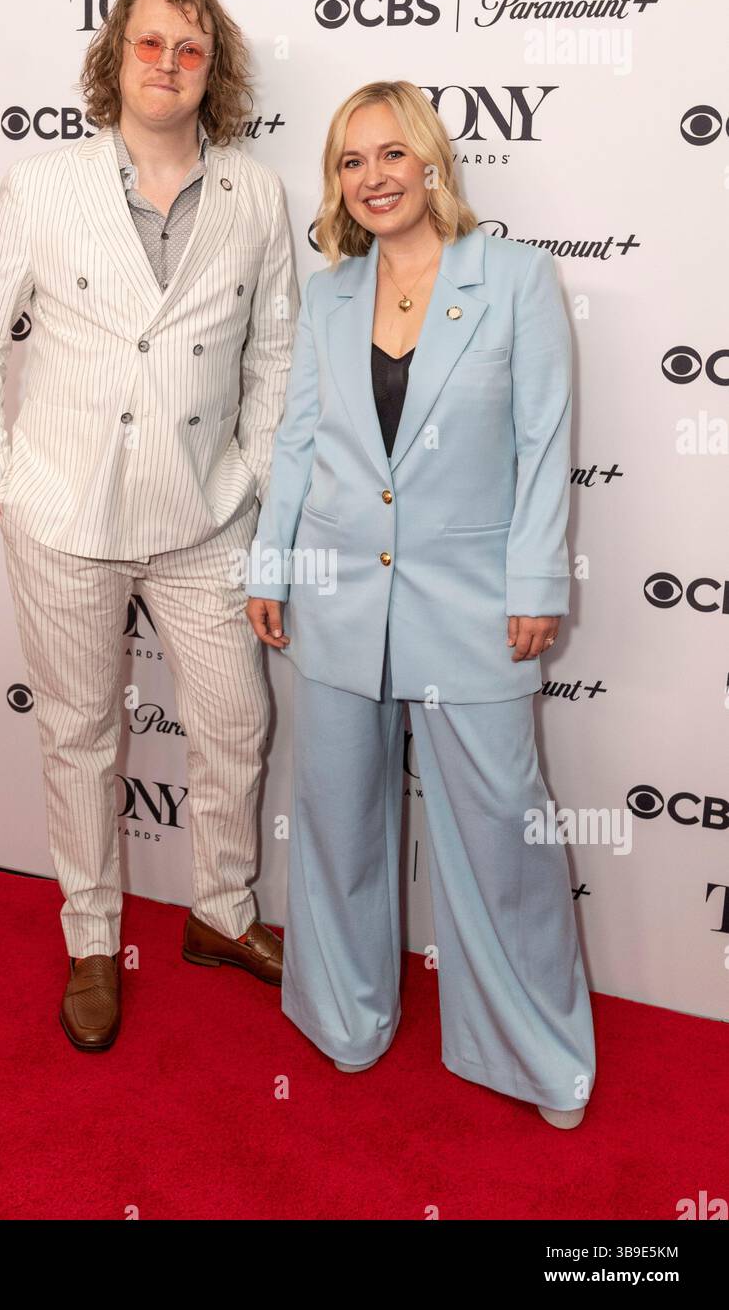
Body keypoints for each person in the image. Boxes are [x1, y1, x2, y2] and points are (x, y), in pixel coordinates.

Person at [0, 0, 298, 1051]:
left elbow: (277, 352)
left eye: (190, 52)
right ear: (117, 58)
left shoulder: (259, 196)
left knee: (236, 720)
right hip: (64, 517)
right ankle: (93, 938)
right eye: (151, 45)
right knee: (79, 734)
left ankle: (220, 912)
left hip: (203, 518)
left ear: (212, 72)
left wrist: (249, 477)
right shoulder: (42, 186)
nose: (168, 66)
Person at [245, 81, 596, 1129]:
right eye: (352, 162)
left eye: (392, 153)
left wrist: (536, 580)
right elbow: (300, 443)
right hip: (339, 594)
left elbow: (545, 445)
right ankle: (344, 1016)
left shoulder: (518, 280)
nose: (374, 177)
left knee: (503, 835)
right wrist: (273, 565)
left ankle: (533, 1053)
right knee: (338, 822)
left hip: (474, 603)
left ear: (434, 160)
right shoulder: (332, 293)